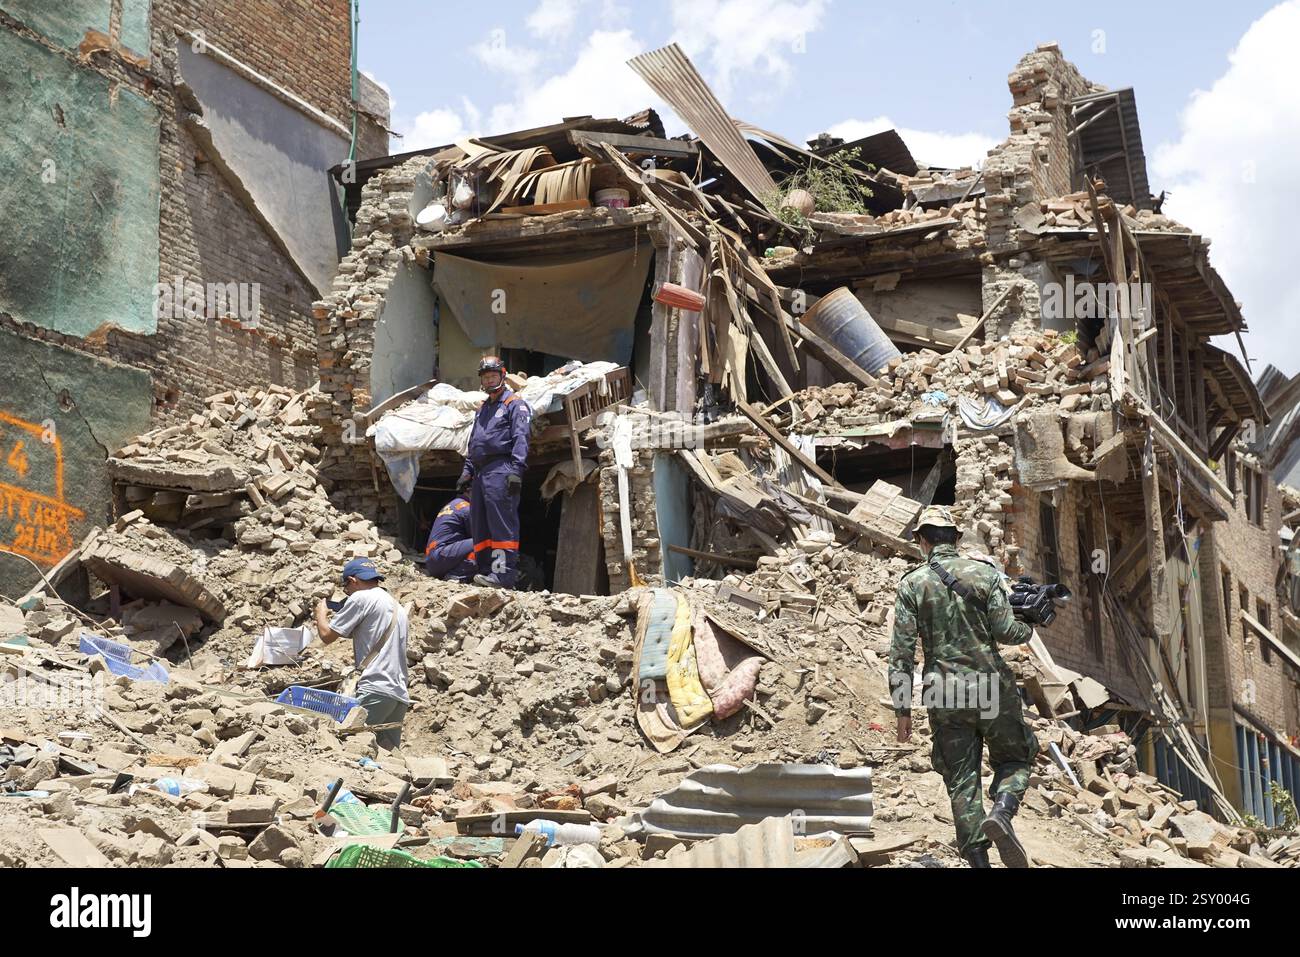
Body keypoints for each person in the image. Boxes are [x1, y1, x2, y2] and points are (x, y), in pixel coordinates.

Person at [887, 505, 1039, 868]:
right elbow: (1006, 631)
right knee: (1015, 757)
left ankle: (979, 862)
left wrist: (902, 709)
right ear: (956, 539)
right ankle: (1002, 811)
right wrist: (1029, 627)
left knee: (961, 777)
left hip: (943, 691)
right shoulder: (985, 574)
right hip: (988, 683)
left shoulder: (912, 583)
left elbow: (902, 651)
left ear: (922, 541)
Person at [314, 558, 410, 751]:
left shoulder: (361, 598)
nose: (347, 593)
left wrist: (320, 613)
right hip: (397, 695)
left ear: (353, 580)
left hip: (375, 688)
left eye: (345, 587)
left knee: (347, 746)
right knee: (388, 757)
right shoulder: (396, 606)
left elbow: (326, 636)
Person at [457, 355, 531, 589]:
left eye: (493, 376)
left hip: (502, 469)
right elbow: (475, 441)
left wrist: (516, 470)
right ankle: (486, 571)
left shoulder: (514, 404)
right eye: (486, 377)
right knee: (480, 525)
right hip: (480, 473)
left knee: (501, 524)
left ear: (502, 375)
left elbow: (521, 438)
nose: (489, 381)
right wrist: (467, 471)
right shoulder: (483, 408)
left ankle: (503, 576)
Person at [423, 494, 476, 582]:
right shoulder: (465, 507)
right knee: (483, 543)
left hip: (433, 562)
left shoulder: (451, 505)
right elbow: (478, 535)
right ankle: (458, 574)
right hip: (443, 556)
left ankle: (455, 572)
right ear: (470, 490)